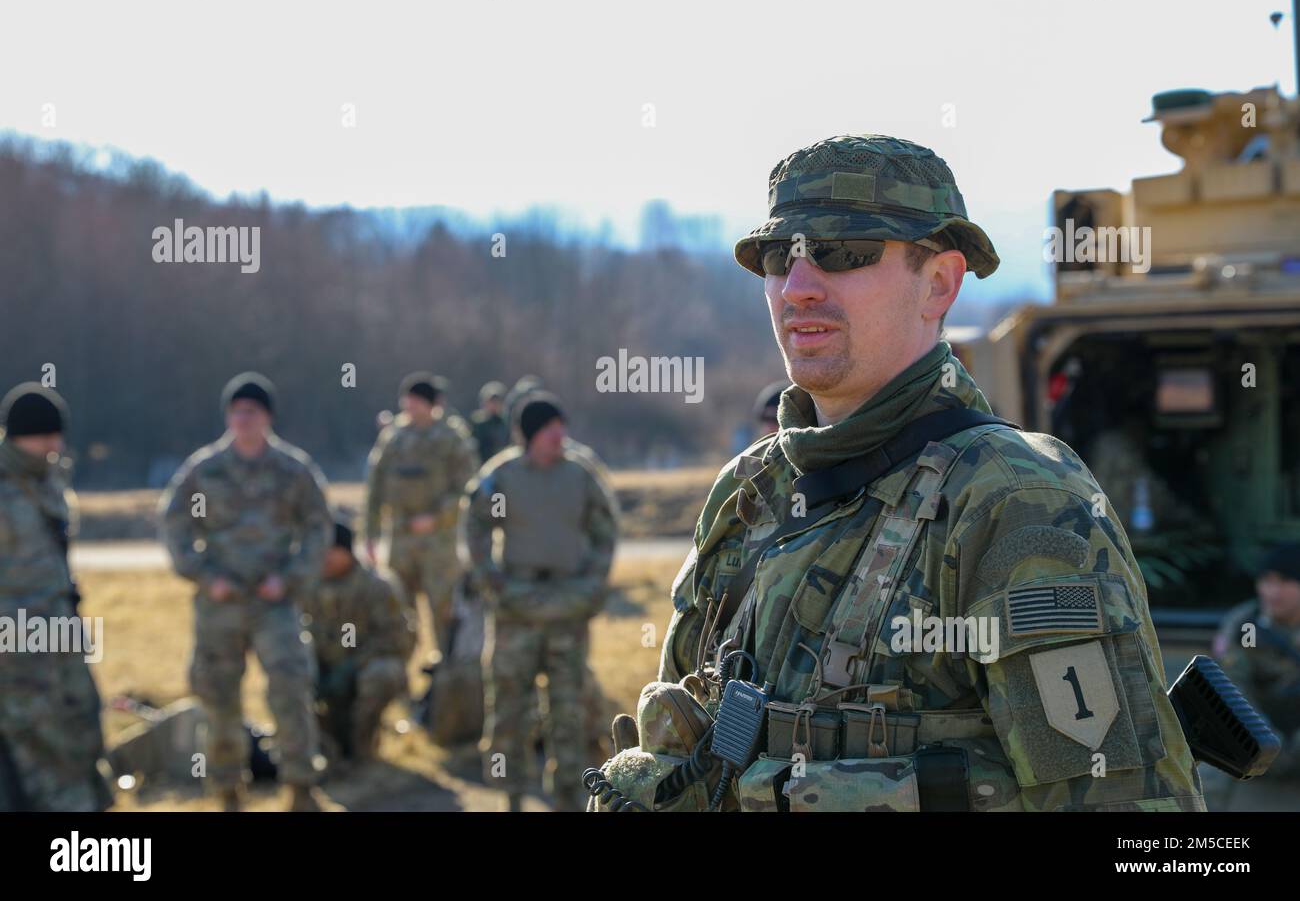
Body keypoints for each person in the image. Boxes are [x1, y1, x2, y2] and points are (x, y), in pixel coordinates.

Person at [594, 134, 1204, 812]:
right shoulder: (751, 489)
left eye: (842, 253)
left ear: (938, 283)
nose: (797, 287)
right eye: (778, 257)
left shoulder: (1015, 500)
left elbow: (1128, 812)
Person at [159, 372, 332, 811]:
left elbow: (318, 527)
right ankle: (226, 790)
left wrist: (290, 577)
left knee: (291, 689)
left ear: (267, 417)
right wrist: (202, 574)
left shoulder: (293, 470)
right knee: (218, 698)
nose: (243, 420)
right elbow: (174, 523)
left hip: (275, 602)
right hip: (221, 603)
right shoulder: (205, 469)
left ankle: (300, 785)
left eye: (251, 412)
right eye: (236, 412)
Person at [461, 393, 619, 811]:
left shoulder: (580, 475)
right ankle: (510, 795)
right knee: (509, 707)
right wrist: (491, 582)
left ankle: (568, 794)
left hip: (568, 606)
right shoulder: (503, 476)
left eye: (562, 427)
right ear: (531, 434)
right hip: (517, 608)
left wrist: (592, 584)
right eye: (551, 428)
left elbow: (606, 529)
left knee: (569, 708)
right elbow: (474, 528)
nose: (560, 435)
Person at [0, 383, 111, 811]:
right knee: (37, 737)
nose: (56, 445)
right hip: (15, 643)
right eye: (46, 436)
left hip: (60, 627)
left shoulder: (47, 479)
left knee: (83, 718)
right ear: (20, 434)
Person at [364, 372, 478, 661]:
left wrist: (438, 518)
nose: (410, 408)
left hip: (439, 543)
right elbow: (375, 488)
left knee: (444, 610)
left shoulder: (452, 439)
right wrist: (370, 534)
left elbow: (467, 487)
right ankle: (398, 673)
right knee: (399, 611)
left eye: (416, 402)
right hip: (400, 540)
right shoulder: (393, 439)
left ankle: (446, 677)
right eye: (407, 402)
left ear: (431, 405)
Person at [302, 519, 416, 766]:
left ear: (346, 551)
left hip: (366, 670)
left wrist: (353, 665)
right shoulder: (308, 586)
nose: (325, 557)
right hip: (324, 673)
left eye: (331, 550)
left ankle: (362, 748)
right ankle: (317, 747)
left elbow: (400, 639)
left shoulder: (378, 586)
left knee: (382, 674)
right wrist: (315, 666)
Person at [1209, 543, 1300, 809]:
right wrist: (1264, 741)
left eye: (1285, 581)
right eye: (1266, 581)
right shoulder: (1244, 623)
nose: (1273, 592)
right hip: (1260, 732)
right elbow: (1230, 688)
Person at [469, 381, 510, 464]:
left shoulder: (506, 423)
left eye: (497, 402)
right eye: (491, 402)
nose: (494, 405)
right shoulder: (478, 423)